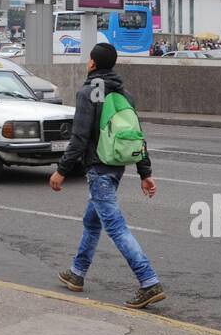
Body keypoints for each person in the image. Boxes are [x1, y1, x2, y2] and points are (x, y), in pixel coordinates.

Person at [49, 43, 163, 309]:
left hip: (98, 169)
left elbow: (79, 138)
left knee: (116, 227)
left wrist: (61, 171)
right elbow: (137, 136)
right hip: (116, 167)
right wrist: (145, 172)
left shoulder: (88, 92)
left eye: (89, 59)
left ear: (92, 64)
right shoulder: (125, 94)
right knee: (92, 222)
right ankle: (77, 273)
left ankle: (148, 282)